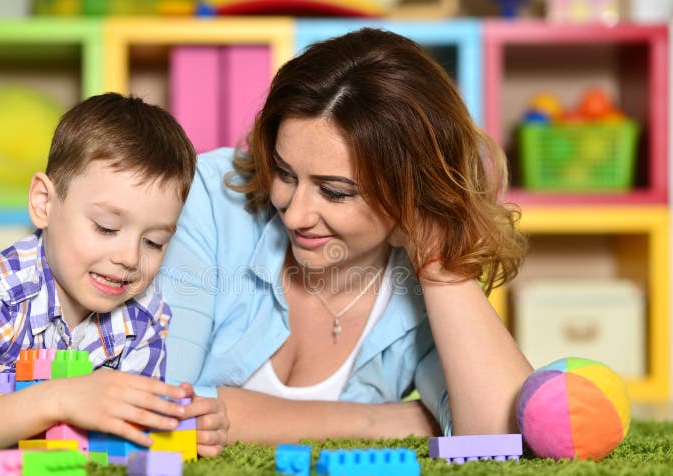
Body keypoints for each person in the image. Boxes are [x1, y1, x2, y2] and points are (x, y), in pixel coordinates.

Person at [161, 27, 533, 446]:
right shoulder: (210, 198)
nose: (296, 213)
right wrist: (377, 422)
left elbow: (498, 433)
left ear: (410, 200)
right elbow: (161, 404)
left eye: (335, 192)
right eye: (285, 173)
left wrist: (436, 258)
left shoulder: (422, 275)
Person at [0, 93, 228, 460]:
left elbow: (120, 435)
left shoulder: (144, 317)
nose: (129, 258)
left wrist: (180, 425)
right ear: (44, 203)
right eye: (106, 228)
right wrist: (61, 398)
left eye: (154, 242)